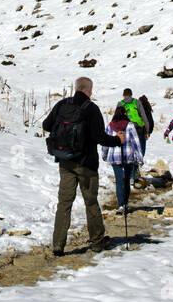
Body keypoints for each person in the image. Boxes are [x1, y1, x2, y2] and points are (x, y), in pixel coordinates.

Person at [43, 76, 124, 256]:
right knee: (90, 201)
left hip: (65, 161)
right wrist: (117, 140)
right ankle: (97, 241)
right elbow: (99, 137)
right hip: (86, 163)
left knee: (64, 202)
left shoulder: (62, 104)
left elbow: (46, 125)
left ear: (75, 88)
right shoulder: (91, 109)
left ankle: (58, 244)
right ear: (89, 90)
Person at [101, 105, 144, 212]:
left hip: (114, 157)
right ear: (125, 114)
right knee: (126, 181)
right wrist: (140, 158)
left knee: (119, 181)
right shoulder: (129, 126)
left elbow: (105, 141)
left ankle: (121, 205)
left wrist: (104, 154)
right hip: (128, 157)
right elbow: (136, 143)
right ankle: (125, 203)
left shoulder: (110, 126)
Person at [118, 88, 151, 157]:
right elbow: (144, 116)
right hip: (139, 128)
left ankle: (132, 164)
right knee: (141, 146)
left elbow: (117, 118)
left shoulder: (120, 103)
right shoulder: (137, 102)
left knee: (129, 148)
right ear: (131, 95)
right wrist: (147, 131)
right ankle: (138, 163)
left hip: (126, 129)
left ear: (123, 95)